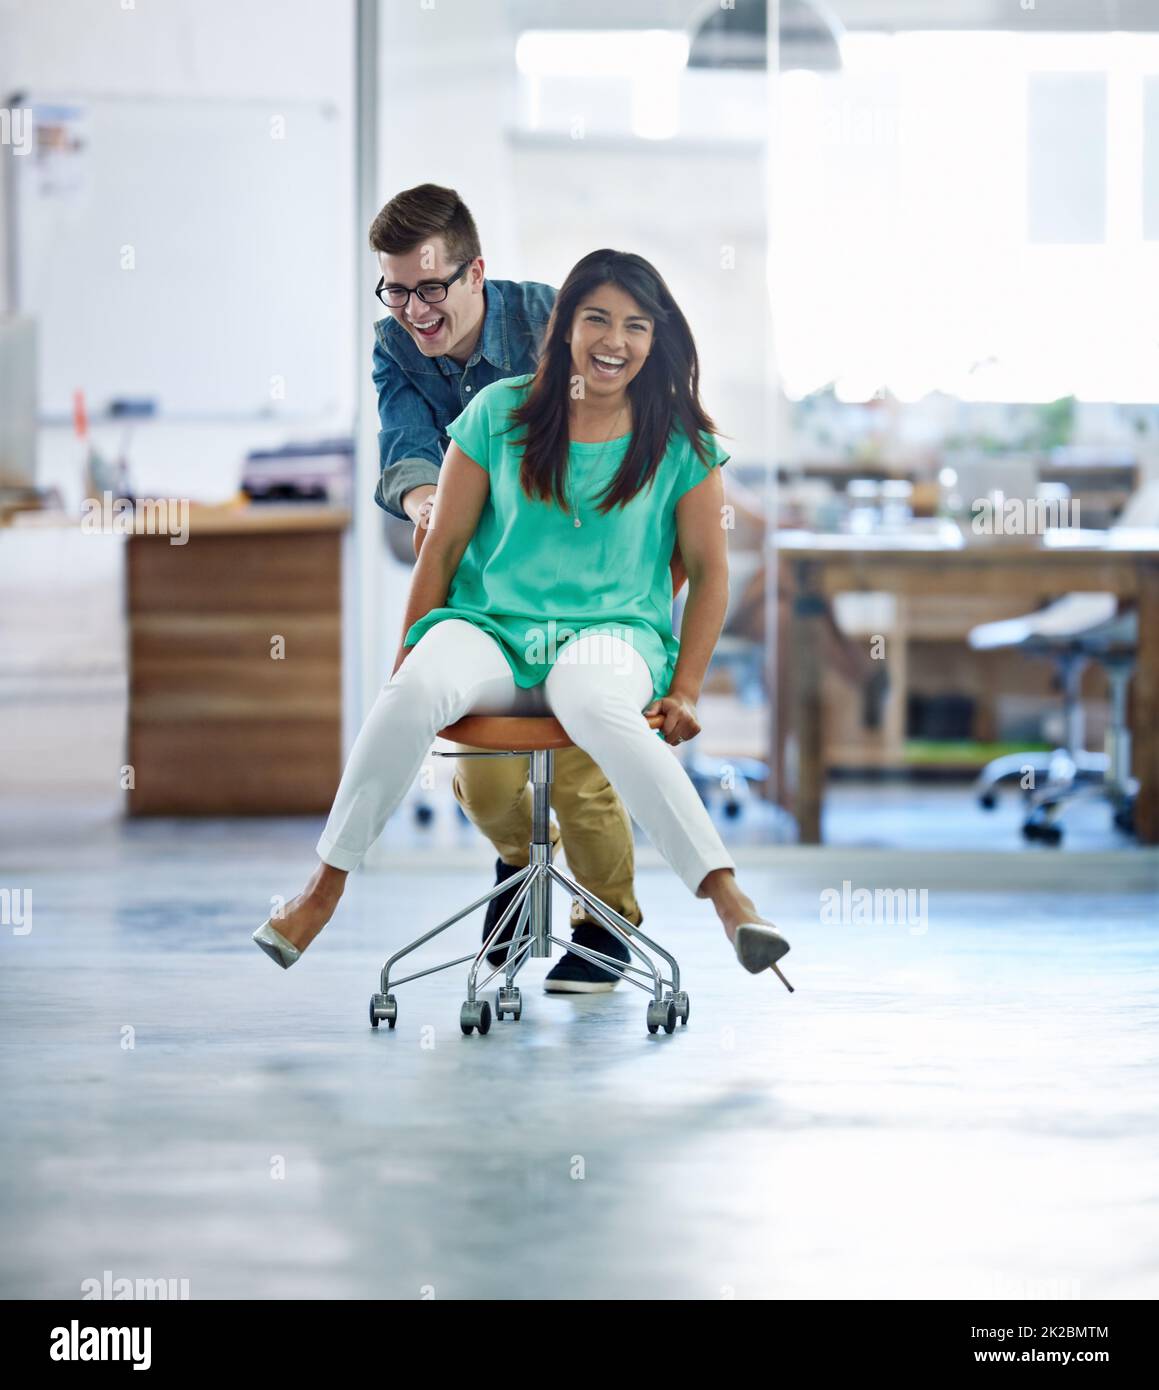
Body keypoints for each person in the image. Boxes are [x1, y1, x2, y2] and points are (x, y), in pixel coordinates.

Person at [253, 249, 793, 991]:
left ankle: (728, 902)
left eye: (636, 326)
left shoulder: (678, 438)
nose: (615, 340)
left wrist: (689, 685)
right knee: (415, 693)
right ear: (564, 323)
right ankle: (321, 893)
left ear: (654, 339)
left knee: (595, 707)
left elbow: (709, 574)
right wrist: (407, 658)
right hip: (493, 628)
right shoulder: (497, 412)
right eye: (597, 317)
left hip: (612, 634)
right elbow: (440, 548)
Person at [365, 183, 678, 990]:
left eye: (430, 288)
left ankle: (606, 924)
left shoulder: (553, 321)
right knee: (486, 774)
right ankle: (518, 862)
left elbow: (647, 416)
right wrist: (427, 498)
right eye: (395, 289)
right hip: (488, 588)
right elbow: (403, 445)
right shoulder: (394, 347)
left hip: (586, 590)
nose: (414, 309)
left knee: (577, 769)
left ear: (476, 274)